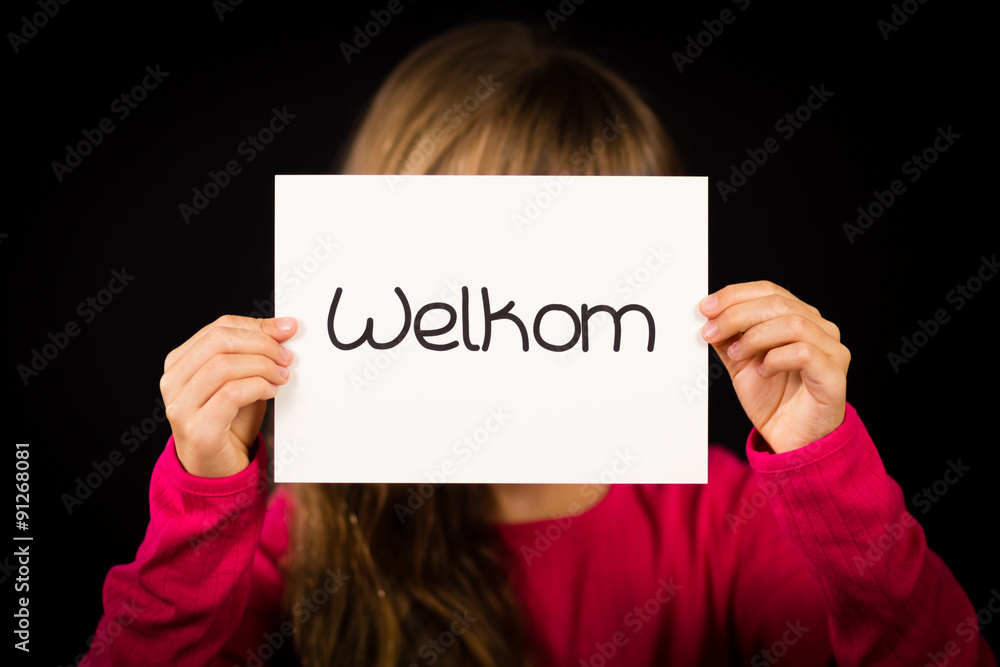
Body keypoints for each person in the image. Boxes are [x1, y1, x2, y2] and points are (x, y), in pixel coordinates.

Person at [84, 21, 995, 667]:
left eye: (565, 251)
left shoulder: (724, 519)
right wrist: (202, 499)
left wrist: (825, 465)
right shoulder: (318, 531)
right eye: (463, 247)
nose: (504, 300)